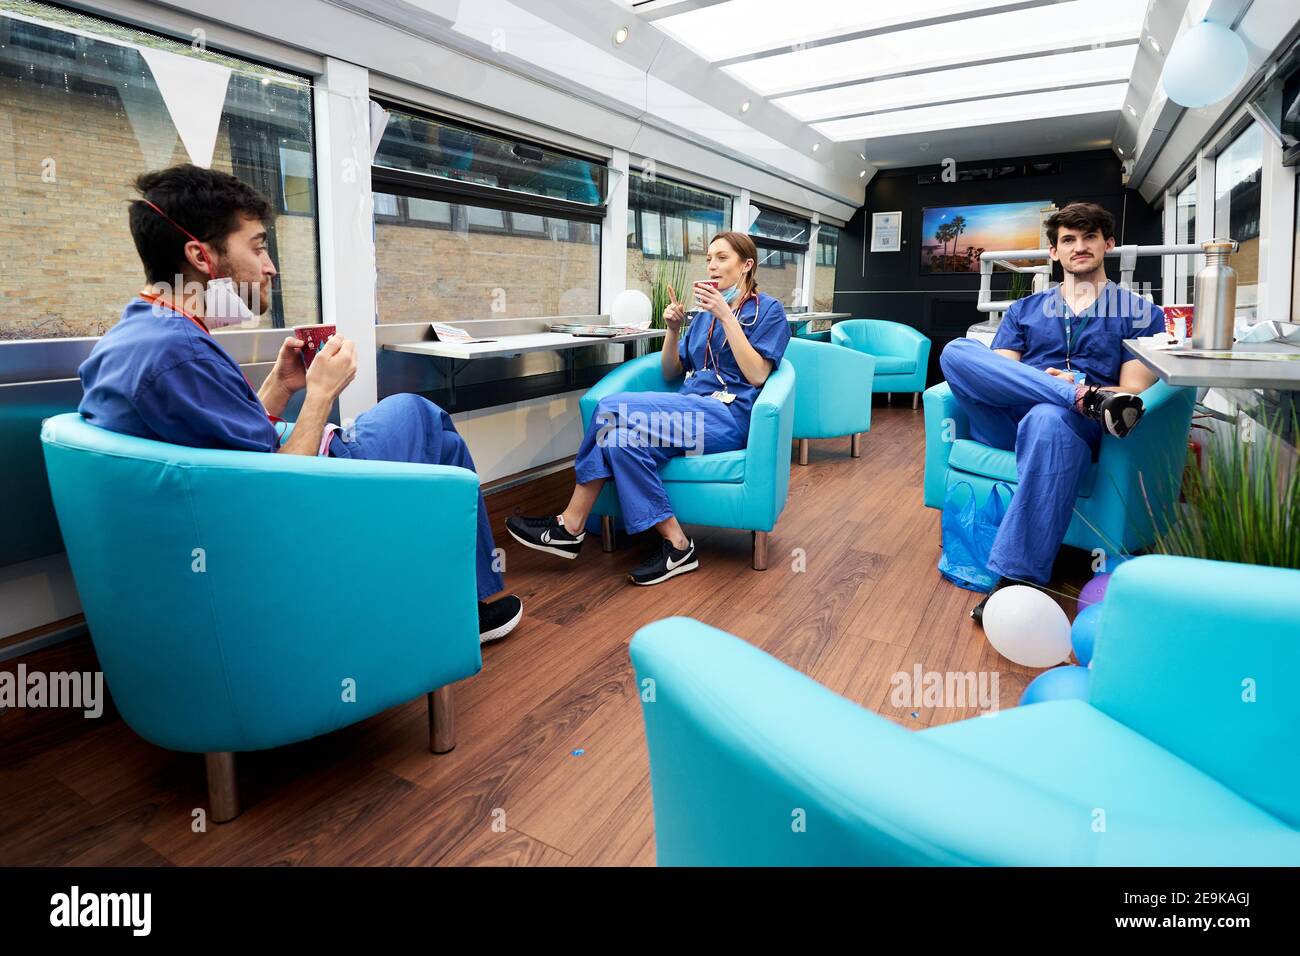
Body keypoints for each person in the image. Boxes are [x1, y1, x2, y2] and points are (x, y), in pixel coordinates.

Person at [77, 164, 522, 643]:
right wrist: (322, 394)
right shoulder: (177, 354)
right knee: (420, 414)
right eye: (258, 245)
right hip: (284, 515)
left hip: (231, 504)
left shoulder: (143, 331)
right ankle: (462, 606)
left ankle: (454, 598)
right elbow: (276, 489)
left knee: (436, 443)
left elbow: (225, 446)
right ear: (200, 255)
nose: (270, 267)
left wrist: (282, 386)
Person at [506, 231, 791, 586]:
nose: (712, 266)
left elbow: (757, 374)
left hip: (727, 418)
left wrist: (727, 316)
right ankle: (678, 545)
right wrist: (673, 330)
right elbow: (672, 371)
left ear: (747, 265)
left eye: (722, 258)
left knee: (610, 408)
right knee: (619, 439)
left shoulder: (769, 312)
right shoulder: (702, 315)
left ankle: (572, 523)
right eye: (708, 259)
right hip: (688, 414)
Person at [937, 202, 1163, 623]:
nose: (1080, 247)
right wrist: (1066, 388)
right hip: (1010, 420)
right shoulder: (1023, 311)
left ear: (1108, 245)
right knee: (955, 352)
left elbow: (1131, 392)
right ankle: (1076, 395)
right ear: (1054, 253)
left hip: (1079, 427)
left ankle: (1015, 580)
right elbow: (997, 378)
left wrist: (1066, 398)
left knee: (1047, 418)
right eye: (1068, 240)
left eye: (1090, 237)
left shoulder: (1141, 314)